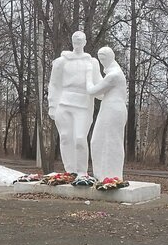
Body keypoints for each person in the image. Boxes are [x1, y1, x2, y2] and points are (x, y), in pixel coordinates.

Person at [47, 30, 100, 176]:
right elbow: (54, 84)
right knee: (65, 137)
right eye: (75, 41)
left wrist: (112, 88)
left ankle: (82, 173)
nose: (77, 43)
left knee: (79, 139)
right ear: (72, 42)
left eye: (80, 41)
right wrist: (52, 105)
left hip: (83, 105)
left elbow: (98, 85)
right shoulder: (61, 61)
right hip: (64, 104)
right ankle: (70, 171)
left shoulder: (91, 62)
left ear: (84, 42)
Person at [87, 46, 128, 180]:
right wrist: (95, 69)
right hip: (108, 108)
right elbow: (100, 94)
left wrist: (88, 75)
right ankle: (101, 175)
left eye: (103, 58)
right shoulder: (111, 74)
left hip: (114, 110)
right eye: (100, 59)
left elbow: (93, 91)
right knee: (97, 141)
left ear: (111, 57)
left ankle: (113, 176)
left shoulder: (114, 75)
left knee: (112, 141)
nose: (102, 61)